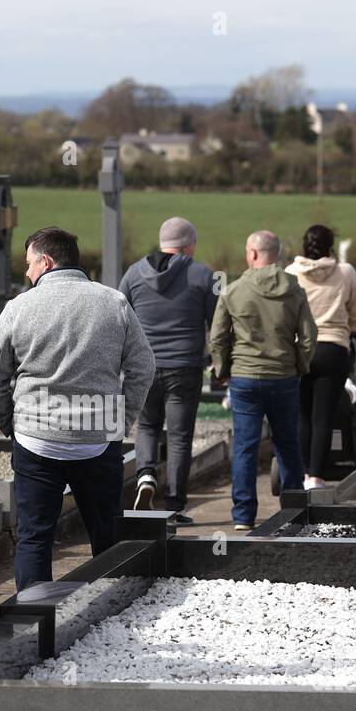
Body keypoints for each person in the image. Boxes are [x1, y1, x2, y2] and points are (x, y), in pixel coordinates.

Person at [0, 227, 155, 591]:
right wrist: (122, 419)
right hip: (98, 438)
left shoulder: (19, 307)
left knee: (35, 537)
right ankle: (111, 610)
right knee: (107, 535)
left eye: (30, 264)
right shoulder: (113, 302)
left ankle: (32, 622)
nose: (27, 273)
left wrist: (7, 418)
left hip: (36, 437)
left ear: (46, 261)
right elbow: (144, 366)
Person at [210, 230, 316, 530]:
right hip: (283, 376)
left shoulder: (233, 290)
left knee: (245, 446)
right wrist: (299, 365)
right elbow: (309, 336)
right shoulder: (294, 290)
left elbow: (217, 338)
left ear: (254, 254)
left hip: (245, 377)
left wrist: (223, 369)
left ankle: (243, 515)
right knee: (287, 443)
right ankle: (294, 510)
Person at [117, 216, 216, 523]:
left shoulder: (133, 274)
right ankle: (173, 506)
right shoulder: (202, 275)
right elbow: (218, 323)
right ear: (188, 245)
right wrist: (216, 359)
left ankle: (146, 475)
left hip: (143, 366)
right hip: (185, 366)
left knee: (146, 427)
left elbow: (119, 316)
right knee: (179, 436)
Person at [287, 225, 356, 489]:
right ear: (331, 246)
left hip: (300, 348)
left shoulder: (291, 273)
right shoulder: (346, 272)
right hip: (334, 347)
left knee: (302, 414)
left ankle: (302, 470)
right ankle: (316, 476)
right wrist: (345, 326)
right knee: (323, 416)